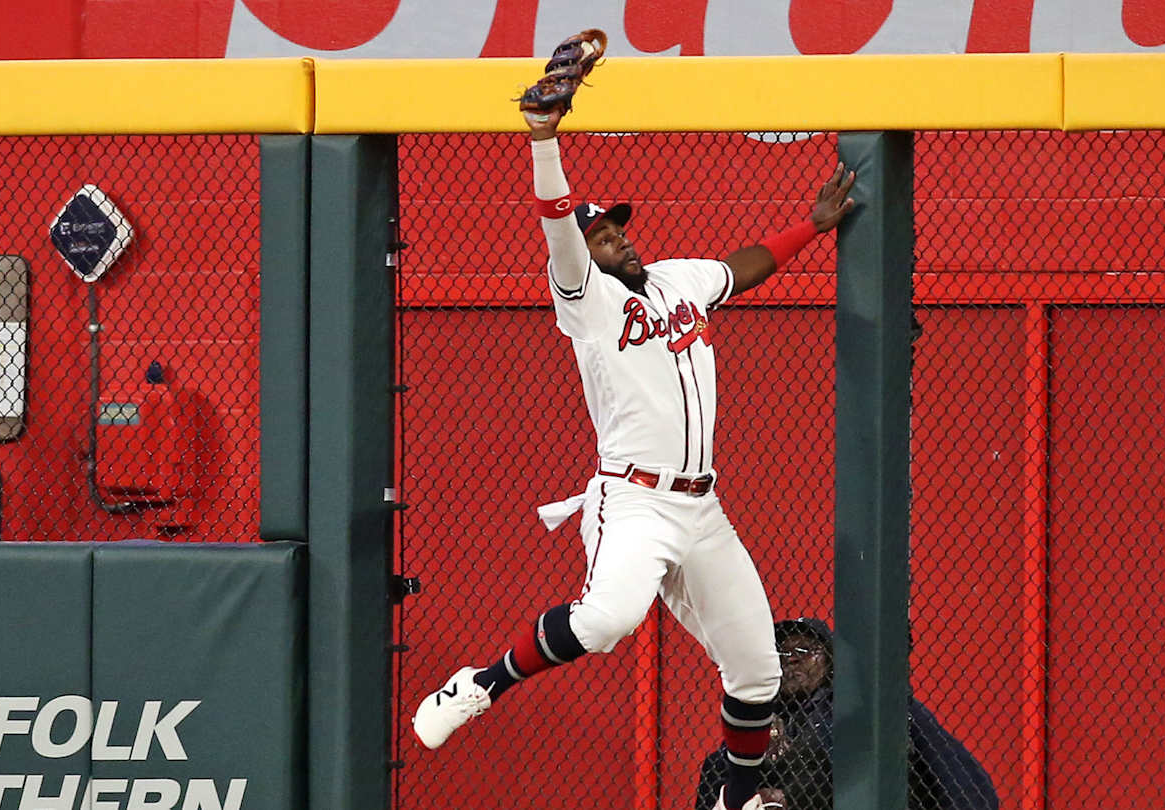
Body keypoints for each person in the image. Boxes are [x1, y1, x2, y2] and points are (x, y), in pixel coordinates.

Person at [411, 100, 856, 810]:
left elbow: (743, 269)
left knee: (757, 672)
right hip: (635, 500)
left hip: (701, 506)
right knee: (607, 621)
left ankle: (736, 800)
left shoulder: (678, 279)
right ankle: (482, 683)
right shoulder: (585, 304)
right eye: (601, 236)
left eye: (618, 228)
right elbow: (559, 222)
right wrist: (543, 140)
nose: (615, 239)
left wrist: (812, 226)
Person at [695, 618, 1000, 810]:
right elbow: (720, 768)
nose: (792, 662)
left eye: (803, 652)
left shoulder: (848, 705)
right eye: (783, 654)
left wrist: (786, 793)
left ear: (827, 660)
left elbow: (846, 764)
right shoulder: (768, 711)